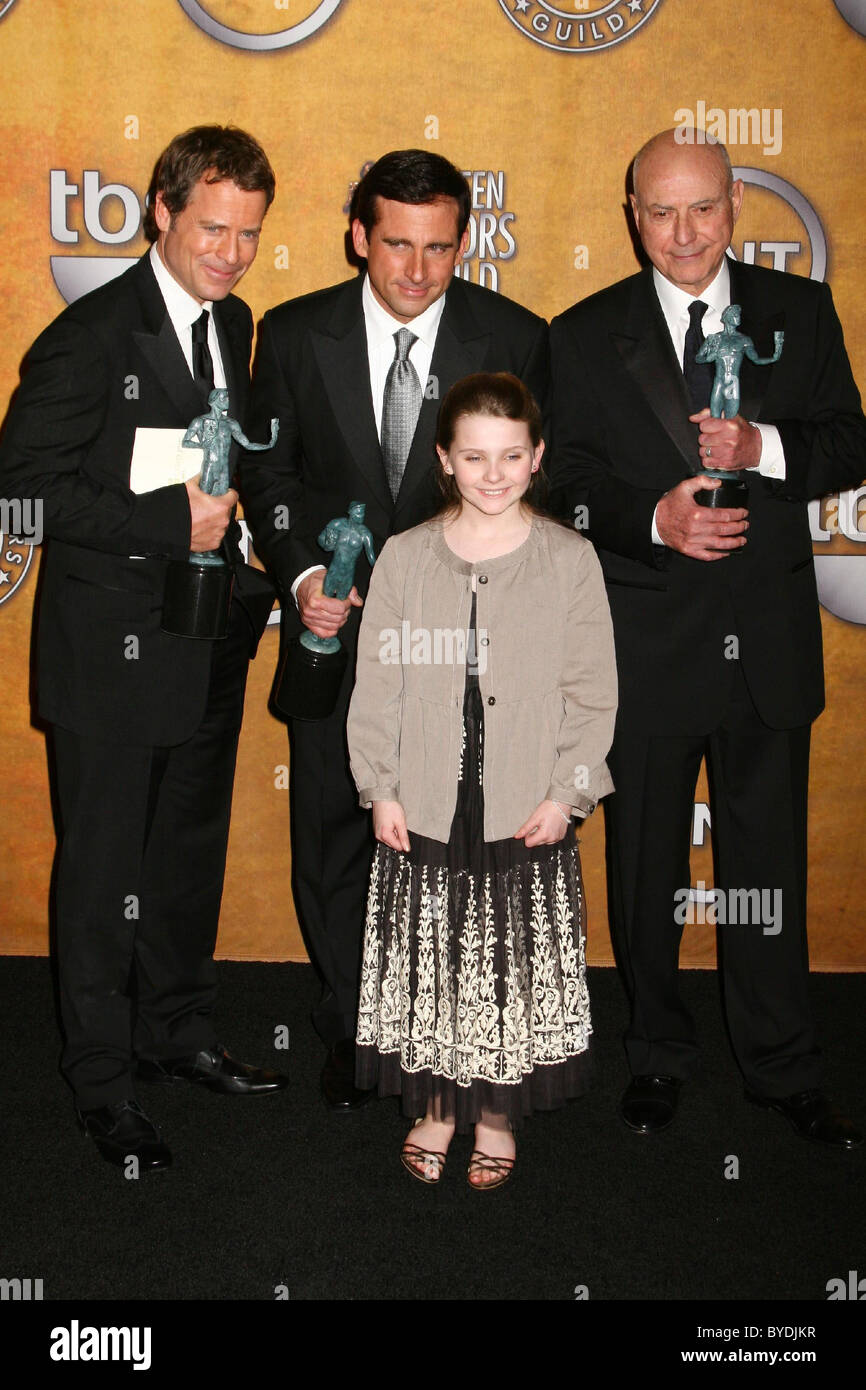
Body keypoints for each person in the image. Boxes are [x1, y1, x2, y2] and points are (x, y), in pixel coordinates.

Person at [549, 128, 865, 1147]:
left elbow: (848, 441)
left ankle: (778, 1064)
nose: (681, 233)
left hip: (765, 647)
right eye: (658, 210)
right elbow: (564, 486)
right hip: (644, 645)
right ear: (630, 214)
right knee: (644, 871)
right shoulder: (583, 330)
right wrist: (655, 518)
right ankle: (655, 1051)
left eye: (701, 208)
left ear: (732, 208)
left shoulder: (798, 311)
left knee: (761, 868)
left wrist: (763, 446)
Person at [0, 125, 288, 1173]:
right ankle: (101, 1081)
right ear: (161, 212)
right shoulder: (89, 339)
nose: (229, 252)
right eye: (211, 227)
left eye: (248, 233)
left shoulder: (234, 322)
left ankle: (177, 1031)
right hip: (109, 650)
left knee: (184, 856)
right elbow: (22, 489)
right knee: (102, 872)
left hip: (207, 636)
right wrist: (171, 525)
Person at [241, 150, 550, 1110]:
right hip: (334, 643)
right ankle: (351, 1029)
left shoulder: (514, 337)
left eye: (440, 248)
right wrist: (298, 576)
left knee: (454, 843)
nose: (417, 272)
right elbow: (271, 474)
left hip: (466, 651)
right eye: (397, 245)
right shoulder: (293, 335)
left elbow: (549, 491)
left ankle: (449, 1031)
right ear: (359, 236)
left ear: (465, 242)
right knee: (334, 835)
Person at [345, 372, 617, 1187]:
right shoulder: (403, 556)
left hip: (522, 795)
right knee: (434, 952)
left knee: (504, 955)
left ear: (537, 458)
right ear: (444, 460)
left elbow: (592, 692)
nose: (492, 474)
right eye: (473, 456)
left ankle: (496, 1114)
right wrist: (381, 785)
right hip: (427, 791)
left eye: (510, 455)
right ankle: (436, 1106)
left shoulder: (571, 560)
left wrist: (566, 793)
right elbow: (378, 686)